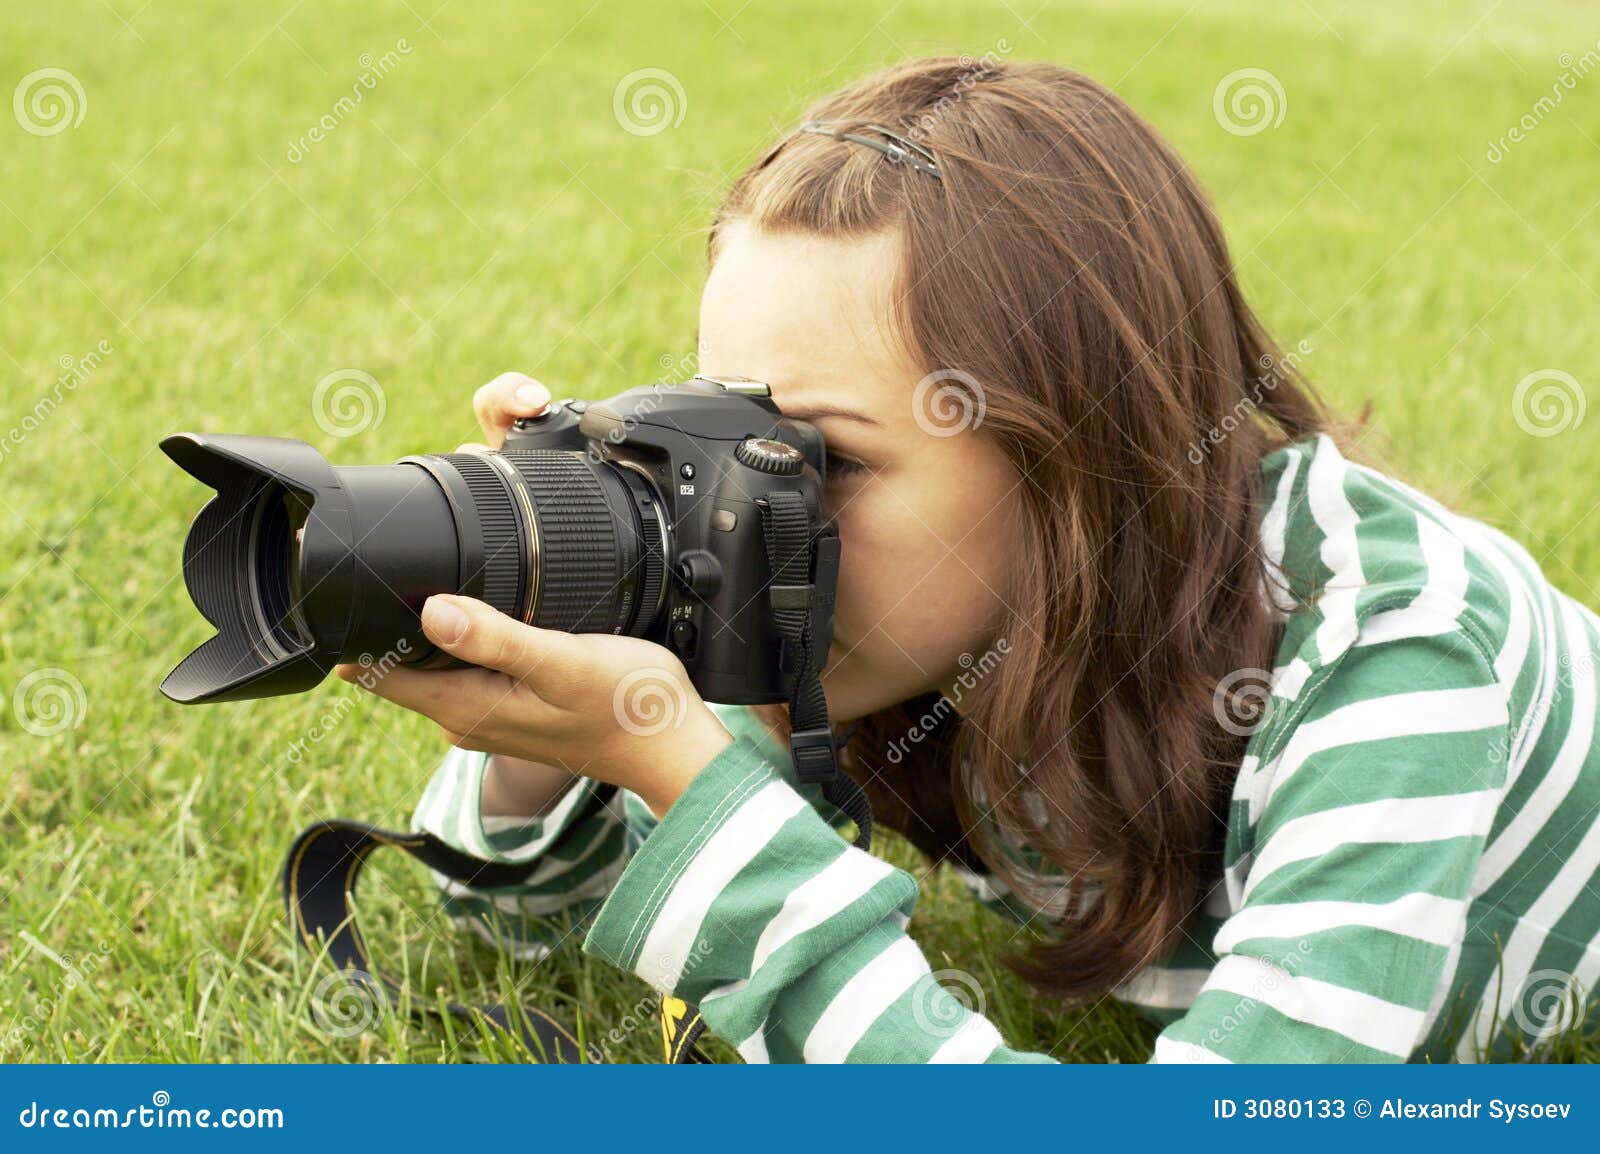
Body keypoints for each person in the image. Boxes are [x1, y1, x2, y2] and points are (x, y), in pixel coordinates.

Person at [339, 57, 1600, 1063]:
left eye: (816, 457)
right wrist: (551, 669)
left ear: (1082, 464)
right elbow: (514, 923)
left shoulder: (1392, 657)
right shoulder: (896, 620)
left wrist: (710, 798)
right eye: (727, 432)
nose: (751, 502)